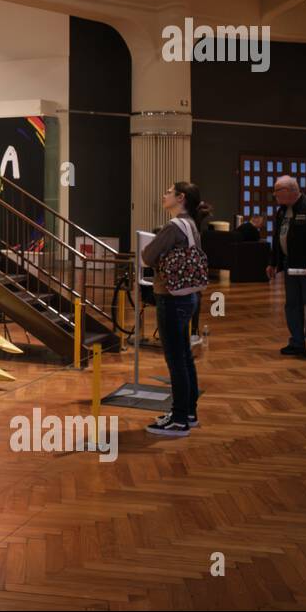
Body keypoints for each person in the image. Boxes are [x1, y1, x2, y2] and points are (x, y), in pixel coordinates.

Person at [141, 181, 212, 437]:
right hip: (188, 296)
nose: (164, 194)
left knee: (176, 361)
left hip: (171, 297)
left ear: (180, 197)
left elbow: (147, 256)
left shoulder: (173, 227)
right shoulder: (192, 224)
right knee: (184, 357)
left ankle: (179, 419)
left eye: (169, 192)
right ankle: (188, 412)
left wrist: (150, 251)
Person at [266, 175, 306, 358]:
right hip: (290, 267)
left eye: (277, 191)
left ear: (288, 191)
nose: (274, 195)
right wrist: (273, 263)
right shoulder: (282, 211)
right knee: (292, 305)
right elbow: (278, 239)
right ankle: (297, 342)